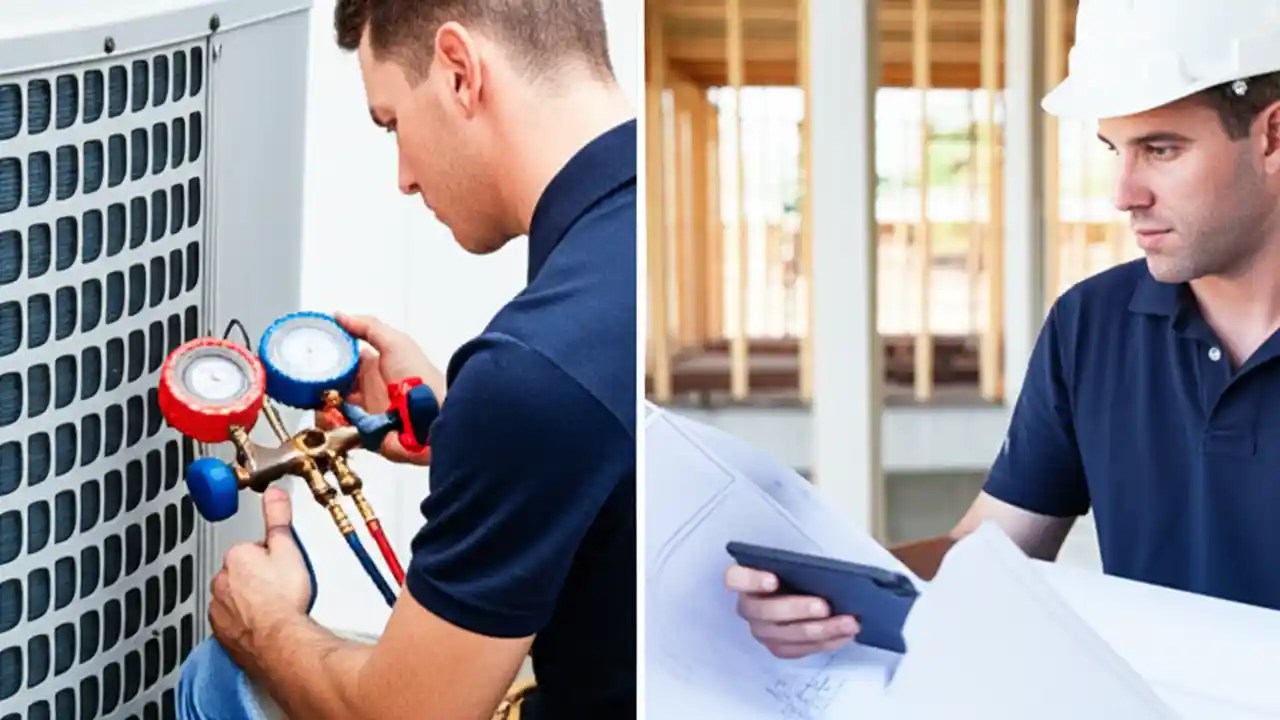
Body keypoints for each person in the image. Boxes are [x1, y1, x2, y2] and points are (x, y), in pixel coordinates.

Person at [727, 0, 1280, 659]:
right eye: (1115, 150)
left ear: (1272, 136)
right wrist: (822, 594)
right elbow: (989, 557)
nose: (1123, 192)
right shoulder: (1091, 325)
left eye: (1162, 150)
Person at [202, 1, 637, 717]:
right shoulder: (627, 250)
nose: (402, 176)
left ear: (460, 72)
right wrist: (463, 431)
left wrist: (265, 622)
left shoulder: (533, 371)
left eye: (392, 123)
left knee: (220, 686)